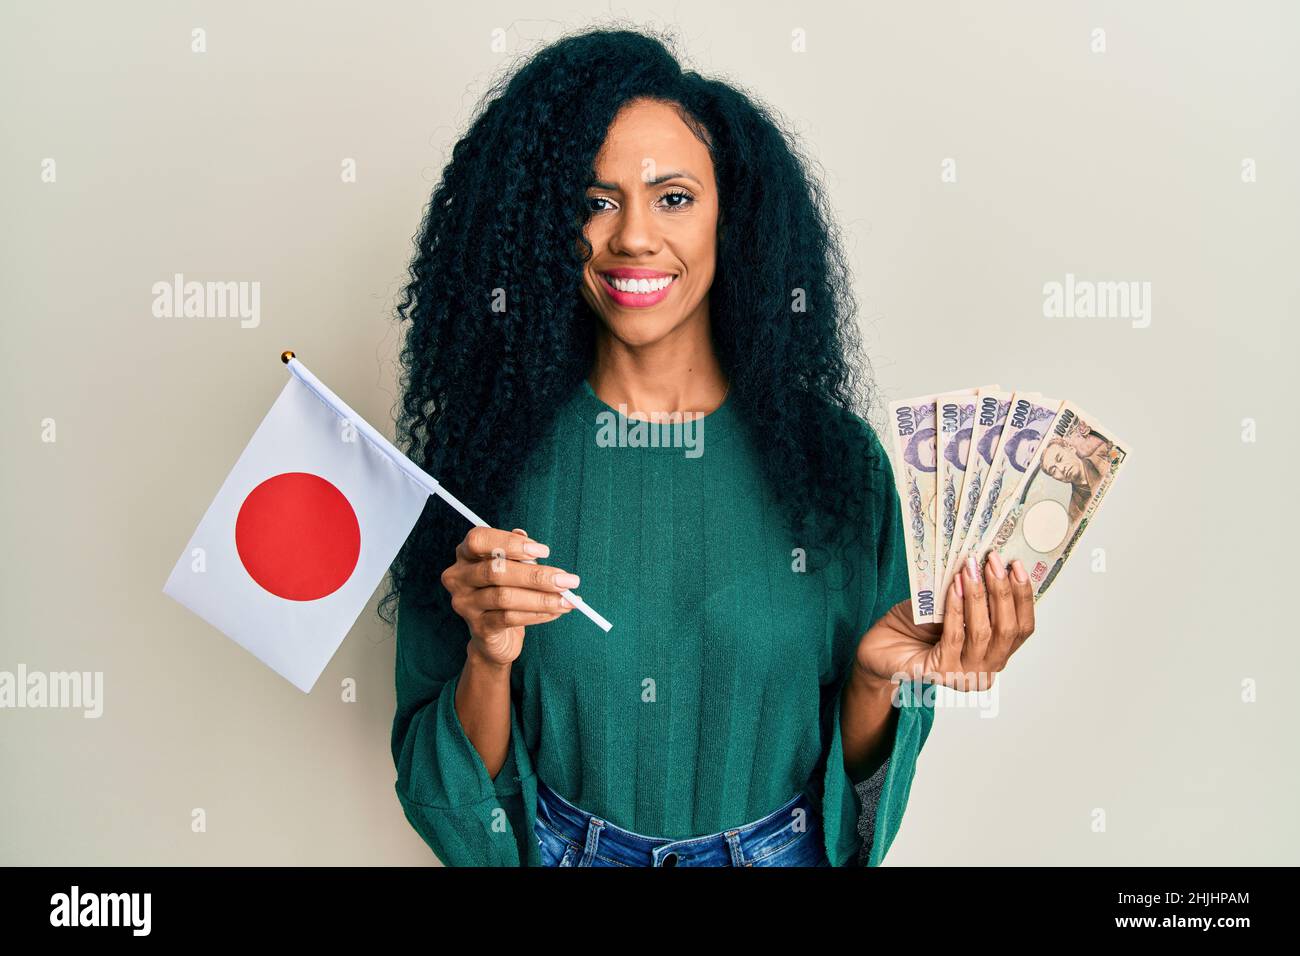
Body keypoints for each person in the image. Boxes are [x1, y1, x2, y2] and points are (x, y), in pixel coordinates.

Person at [385, 27, 1037, 867]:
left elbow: (860, 826)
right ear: (550, 223)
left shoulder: (838, 466)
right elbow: (456, 811)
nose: (633, 238)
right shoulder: (486, 463)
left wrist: (877, 679)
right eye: (596, 199)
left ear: (734, 219)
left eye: (675, 198)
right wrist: (489, 653)